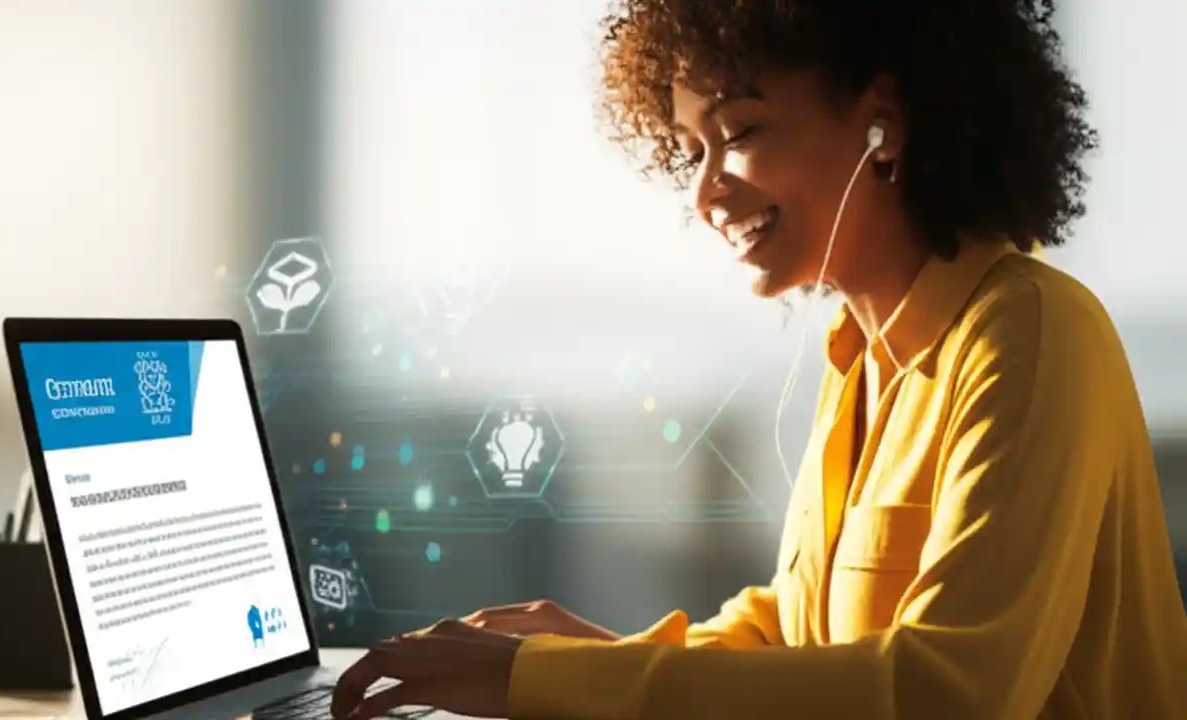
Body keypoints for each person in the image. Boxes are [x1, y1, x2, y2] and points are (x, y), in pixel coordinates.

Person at [332, 1, 1187, 717]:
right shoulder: (860, 360)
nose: (703, 192)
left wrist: (547, 680)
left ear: (881, 118)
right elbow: (802, 632)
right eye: (690, 149)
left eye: (737, 131)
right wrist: (594, 656)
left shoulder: (1030, 334)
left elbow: (947, 693)